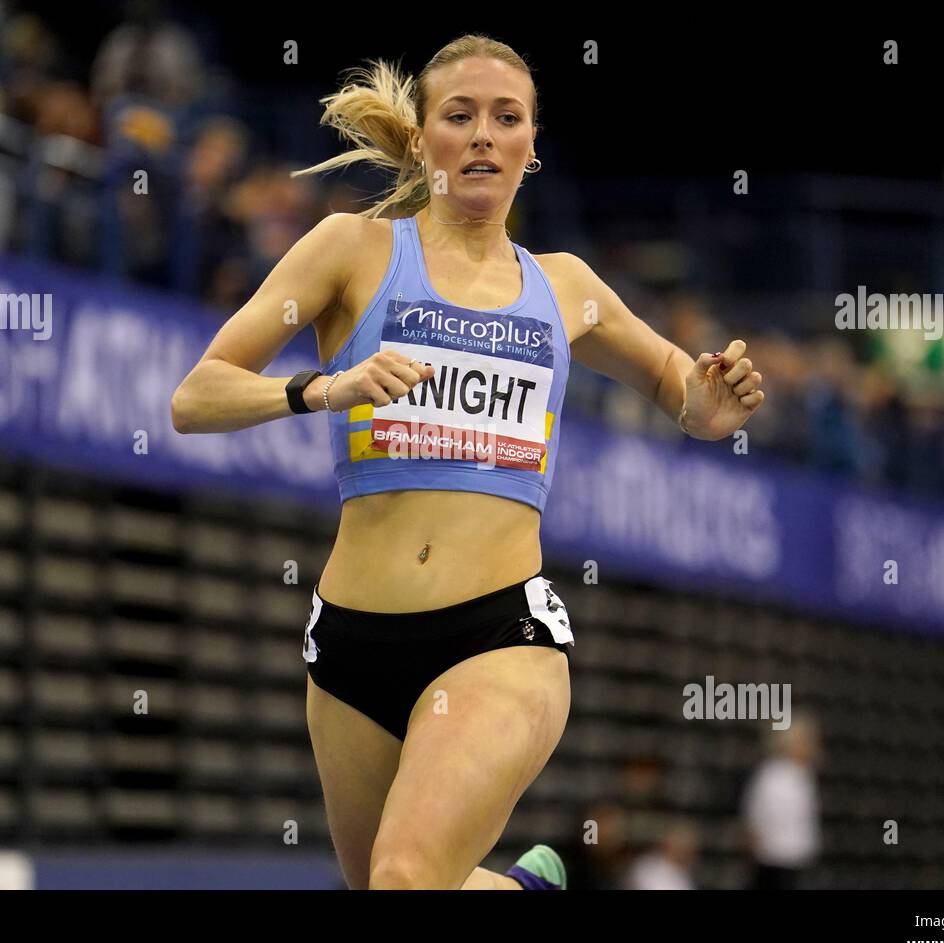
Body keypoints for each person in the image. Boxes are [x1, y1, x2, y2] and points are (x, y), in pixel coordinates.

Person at [171, 33, 765, 890]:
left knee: (406, 878)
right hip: (350, 645)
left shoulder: (567, 286)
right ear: (422, 141)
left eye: (507, 118)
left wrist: (710, 405)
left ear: (532, 146)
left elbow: (684, 388)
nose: (484, 135)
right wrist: (324, 389)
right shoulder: (351, 249)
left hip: (497, 634)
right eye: (460, 116)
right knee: (402, 885)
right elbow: (196, 396)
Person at [742, 714, 822, 889]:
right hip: (773, 858)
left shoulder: (804, 776)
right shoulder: (771, 774)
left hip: (796, 858)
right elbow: (755, 817)